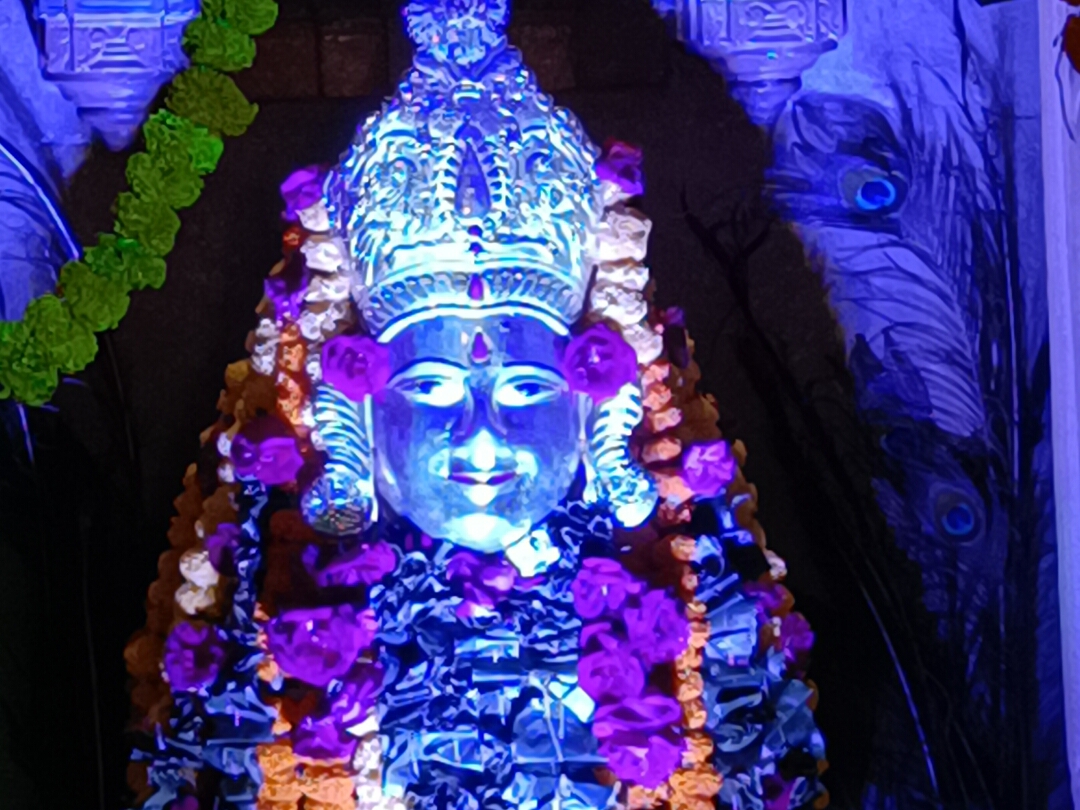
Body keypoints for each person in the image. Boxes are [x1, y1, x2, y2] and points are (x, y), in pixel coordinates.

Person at [124, 3, 826, 809]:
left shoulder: (681, 624)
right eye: (430, 389)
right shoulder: (284, 634)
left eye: (528, 389)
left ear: (596, 409)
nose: (482, 440)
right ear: (356, 415)